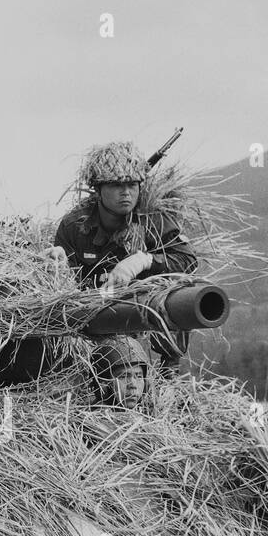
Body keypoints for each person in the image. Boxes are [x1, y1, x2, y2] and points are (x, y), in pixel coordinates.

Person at [52, 141, 197, 368]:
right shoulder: (75, 225)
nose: (126, 193)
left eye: (132, 184)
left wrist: (144, 261)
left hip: (144, 311)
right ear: (98, 189)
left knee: (175, 293)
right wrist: (57, 266)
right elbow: (63, 288)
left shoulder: (153, 219)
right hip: (93, 315)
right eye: (116, 185)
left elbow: (188, 261)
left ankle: (169, 372)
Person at [91, 335, 153, 410]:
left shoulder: (153, 414)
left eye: (139, 377)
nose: (133, 385)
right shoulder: (91, 419)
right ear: (103, 384)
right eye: (123, 377)